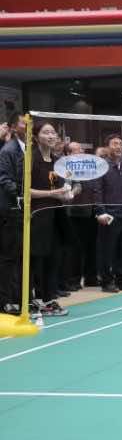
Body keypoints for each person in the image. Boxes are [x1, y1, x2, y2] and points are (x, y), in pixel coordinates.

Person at [29, 122, 71, 315]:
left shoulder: (57, 161)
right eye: (46, 133)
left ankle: (49, 299)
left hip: (55, 216)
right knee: (37, 260)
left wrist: (66, 193)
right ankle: (33, 300)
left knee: (54, 258)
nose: (51, 136)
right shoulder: (30, 159)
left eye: (53, 133)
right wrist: (53, 194)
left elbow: (57, 188)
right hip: (37, 216)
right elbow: (26, 191)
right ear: (36, 136)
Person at [94, 134, 122, 293]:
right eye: (114, 144)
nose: (119, 147)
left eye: (120, 144)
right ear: (107, 148)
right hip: (109, 215)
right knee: (108, 250)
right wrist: (101, 212)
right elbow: (97, 191)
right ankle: (107, 281)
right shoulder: (101, 167)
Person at [62, 141, 99, 290]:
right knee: (76, 248)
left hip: (91, 211)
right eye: (77, 150)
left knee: (92, 246)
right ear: (68, 154)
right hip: (74, 213)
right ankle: (73, 280)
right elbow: (69, 189)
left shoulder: (89, 168)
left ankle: (91, 277)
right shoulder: (65, 168)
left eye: (81, 149)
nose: (81, 151)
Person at [0, 112, 27, 313]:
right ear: (13, 127)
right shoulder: (8, 150)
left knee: (21, 256)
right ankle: (6, 300)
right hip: (11, 210)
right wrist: (19, 196)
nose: (27, 125)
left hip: (25, 211)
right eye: (23, 122)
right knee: (9, 256)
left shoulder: (28, 148)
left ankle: (22, 296)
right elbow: (5, 178)